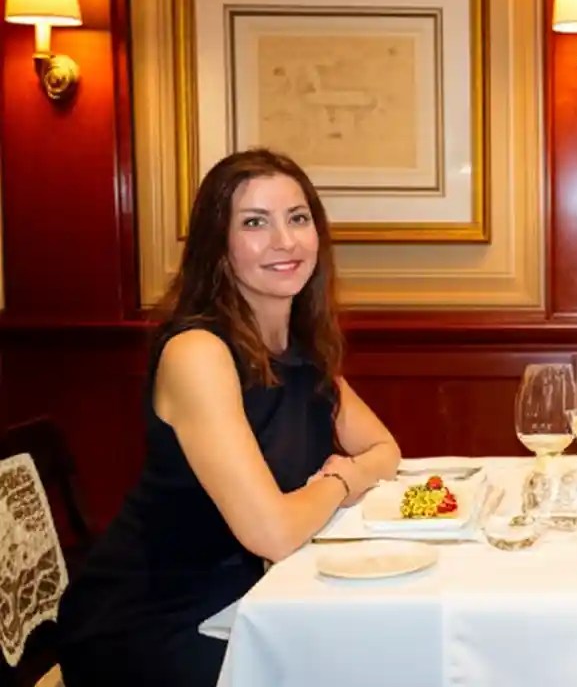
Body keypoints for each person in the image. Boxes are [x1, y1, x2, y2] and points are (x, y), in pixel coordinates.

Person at [56, 149, 402, 685]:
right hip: (152, 623)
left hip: (251, 602)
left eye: (298, 218)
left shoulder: (301, 349)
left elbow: (385, 449)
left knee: (386, 655)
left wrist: (346, 476)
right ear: (219, 247)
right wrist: (341, 477)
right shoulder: (198, 351)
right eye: (255, 223)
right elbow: (272, 533)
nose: (285, 241)